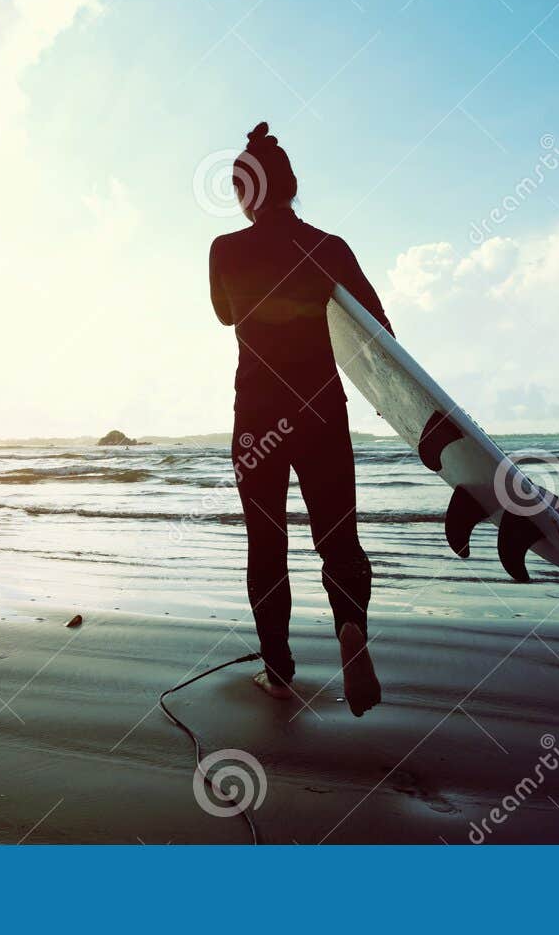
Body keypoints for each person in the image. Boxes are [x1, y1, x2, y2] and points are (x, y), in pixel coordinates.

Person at [207, 122, 393, 716]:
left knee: (267, 544)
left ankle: (279, 670)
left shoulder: (225, 251)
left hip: (258, 416)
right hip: (321, 410)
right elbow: (380, 331)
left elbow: (223, 314)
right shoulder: (329, 246)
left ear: (245, 193)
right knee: (338, 540)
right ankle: (350, 628)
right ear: (292, 185)